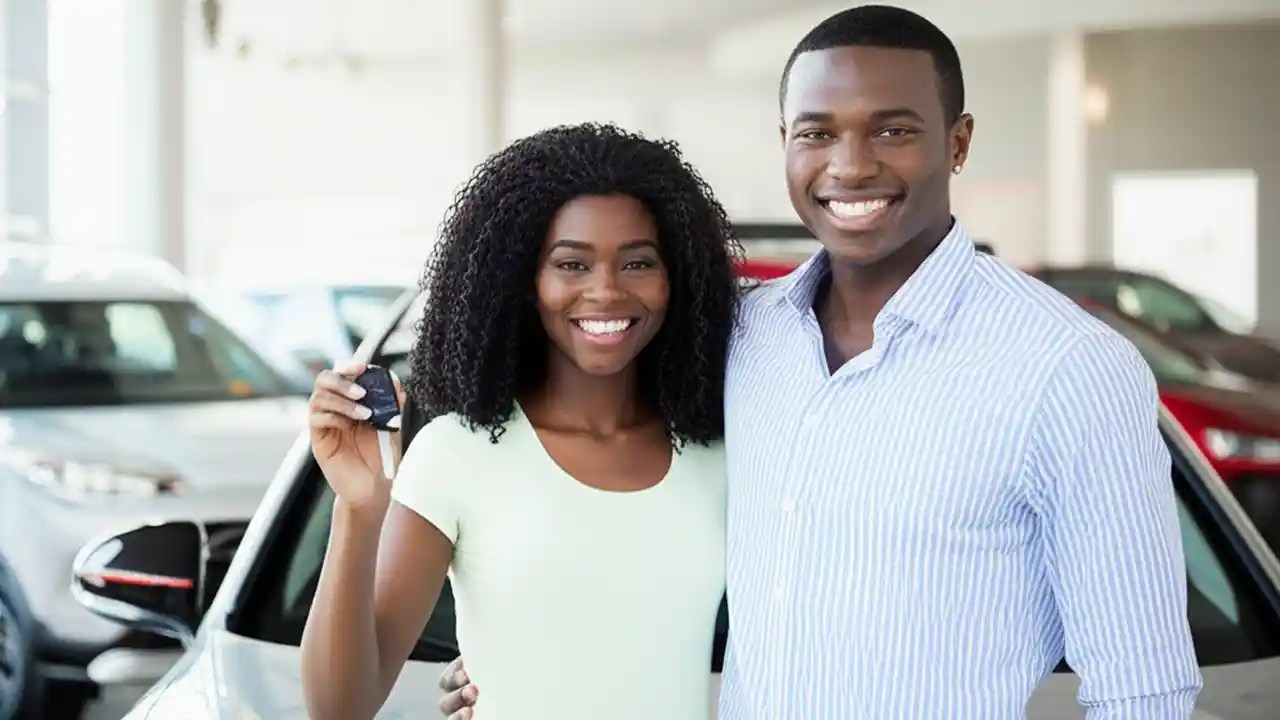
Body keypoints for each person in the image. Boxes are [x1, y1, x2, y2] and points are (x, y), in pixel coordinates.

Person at [439, 5, 1202, 718]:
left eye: (893, 130)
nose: (850, 166)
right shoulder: (741, 338)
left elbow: (1144, 686)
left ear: (959, 141)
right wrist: (521, 653)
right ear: (785, 144)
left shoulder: (1070, 368)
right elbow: (600, 486)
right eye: (817, 133)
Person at [299, 122, 742, 719]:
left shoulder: (721, 452)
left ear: (676, 278)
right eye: (572, 264)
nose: (607, 291)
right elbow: (339, 708)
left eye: (638, 263)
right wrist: (357, 508)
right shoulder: (456, 453)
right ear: (525, 282)